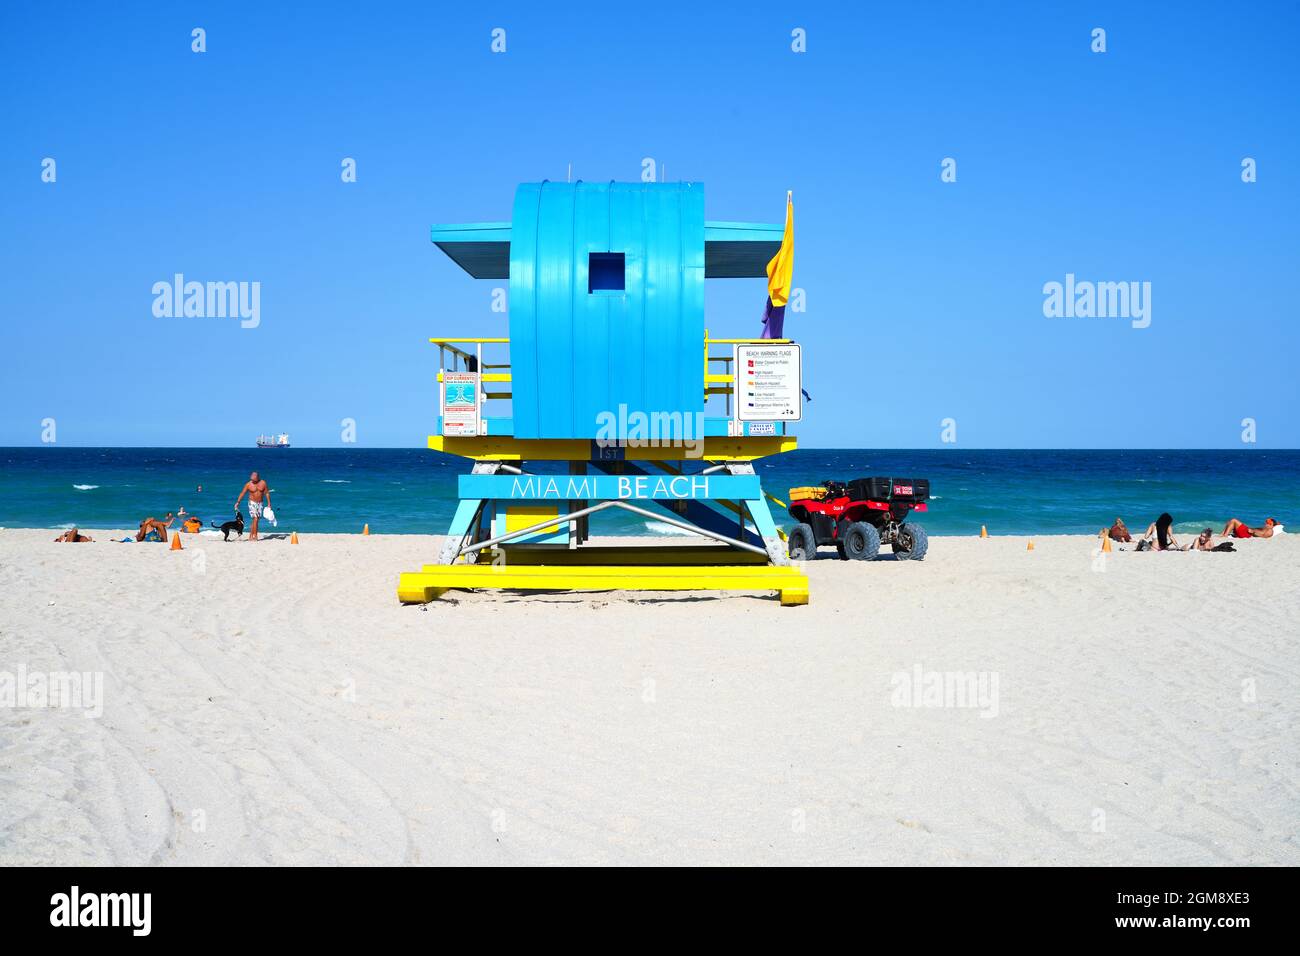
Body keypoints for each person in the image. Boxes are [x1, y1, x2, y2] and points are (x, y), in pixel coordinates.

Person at [235, 471, 271, 542]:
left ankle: (250, 536)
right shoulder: (248, 484)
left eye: (253, 477)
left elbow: (266, 493)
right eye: (251, 477)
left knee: (255, 520)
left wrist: (269, 503)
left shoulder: (263, 483)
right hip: (252, 503)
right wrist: (238, 502)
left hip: (260, 503)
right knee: (255, 518)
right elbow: (242, 493)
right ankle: (255, 536)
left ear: (257, 477)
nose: (252, 479)